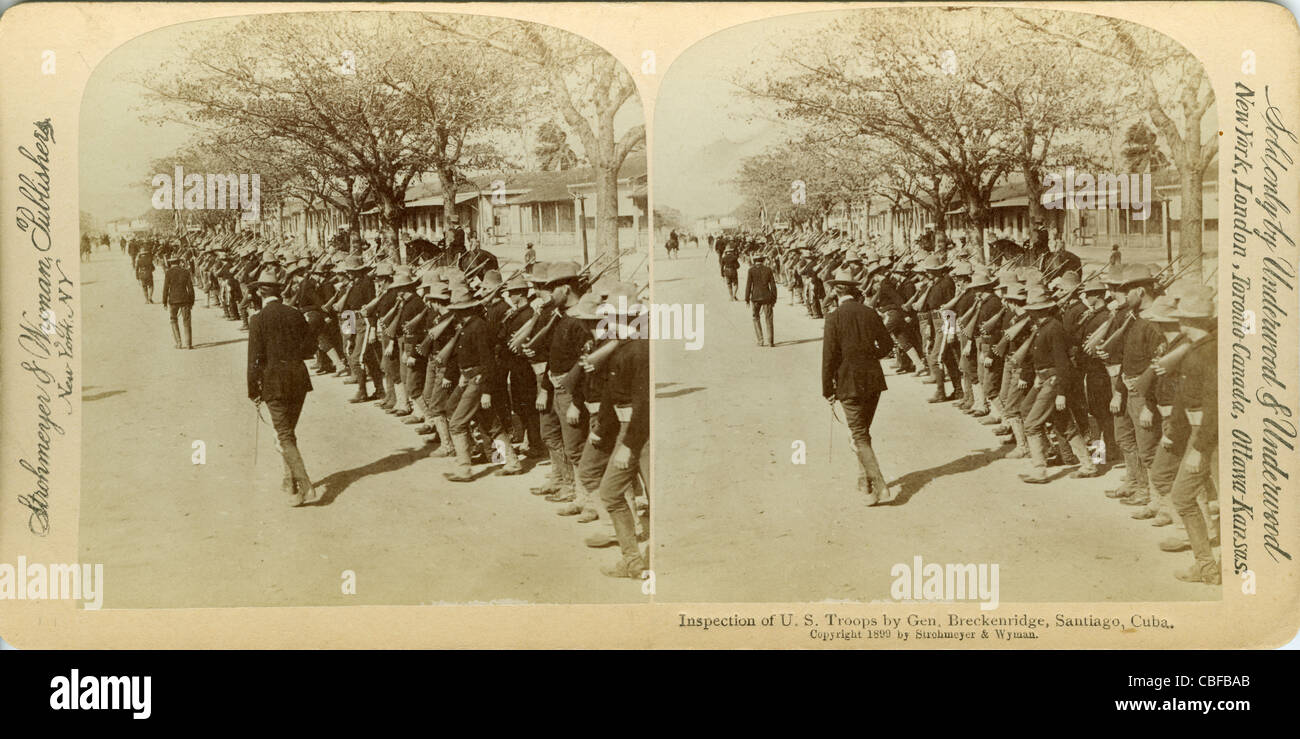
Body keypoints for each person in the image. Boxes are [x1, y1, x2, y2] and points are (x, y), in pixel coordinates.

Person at [247, 265, 318, 507]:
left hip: (273, 382)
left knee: (284, 435)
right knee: (288, 433)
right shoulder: (295, 314)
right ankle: (290, 483)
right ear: (279, 290)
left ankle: (305, 484)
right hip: (298, 379)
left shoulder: (257, 319)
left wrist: (253, 390)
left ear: (259, 293)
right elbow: (311, 346)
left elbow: (253, 359)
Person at [822, 266, 895, 505]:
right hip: (873, 380)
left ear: (835, 291)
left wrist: (827, 388)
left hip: (848, 383)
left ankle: (880, 485)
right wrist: (869, 355)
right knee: (862, 433)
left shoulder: (834, 317)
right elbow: (887, 345)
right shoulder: (869, 312)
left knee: (859, 435)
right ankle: (864, 482)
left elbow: (829, 356)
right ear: (854, 290)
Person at [160, 255, 195, 349]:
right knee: (187, 321)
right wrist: (191, 301)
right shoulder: (185, 272)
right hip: (185, 299)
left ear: (171, 263)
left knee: (173, 320)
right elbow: (190, 288)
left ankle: (179, 343)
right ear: (179, 262)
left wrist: (164, 302)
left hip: (173, 300)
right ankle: (188, 344)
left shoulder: (168, 273)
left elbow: (165, 288)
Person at [744, 252, 777, 347]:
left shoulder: (751, 270)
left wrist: (746, 298)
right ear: (763, 260)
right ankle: (770, 341)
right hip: (767, 297)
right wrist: (774, 298)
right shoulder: (768, 270)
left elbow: (748, 285)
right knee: (769, 319)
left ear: (754, 260)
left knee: (756, 318)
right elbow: (773, 286)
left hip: (755, 297)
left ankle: (760, 340)